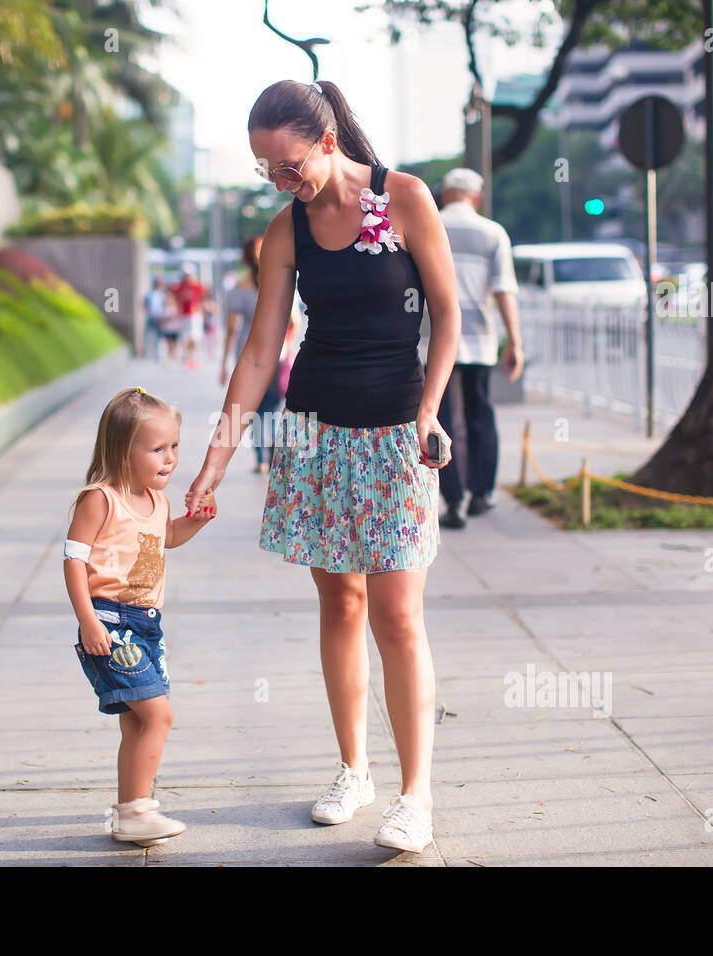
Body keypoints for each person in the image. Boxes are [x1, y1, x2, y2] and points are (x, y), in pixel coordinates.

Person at [185, 78, 461, 854]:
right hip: (311, 434)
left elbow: (448, 316)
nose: (280, 182)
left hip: (395, 430)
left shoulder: (404, 199)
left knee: (398, 615)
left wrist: (431, 408)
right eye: (265, 172)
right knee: (339, 604)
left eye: (287, 165)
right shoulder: (286, 232)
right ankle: (353, 770)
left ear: (327, 141)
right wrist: (214, 462)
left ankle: (417, 795)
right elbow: (258, 351)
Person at [62, 386, 217, 846]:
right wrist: (89, 620)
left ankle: (128, 810)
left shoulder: (157, 499)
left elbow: (166, 538)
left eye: (174, 448)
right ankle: (137, 810)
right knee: (159, 715)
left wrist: (197, 521)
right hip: (109, 621)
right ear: (121, 450)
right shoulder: (100, 499)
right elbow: (73, 560)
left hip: (147, 624)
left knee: (137, 721)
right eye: (157, 449)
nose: (169, 459)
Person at [418, 168, 524, 529]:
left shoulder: (428, 223)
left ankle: (453, 499)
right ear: (476, 197)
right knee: (480, 412)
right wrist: (515, 342)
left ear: (445, 194)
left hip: (433, 340)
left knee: (439, 416)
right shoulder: (493, 233)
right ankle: (482, 493)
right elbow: (503, 290)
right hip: (479, 338)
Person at [220, 236, 302, 473]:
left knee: (254, 410)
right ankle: (275, 451)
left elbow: (232, 329)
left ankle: (261, 459)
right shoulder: (280, 282)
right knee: (275, 407)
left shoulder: (238, 289)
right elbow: (294, 320)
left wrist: (225, 363)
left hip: (247, 355)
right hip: (276, 352)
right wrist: (285, 343)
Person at [169, 263, 208, 369]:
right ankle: (188, 359)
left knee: (194, 337)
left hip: (195, 315)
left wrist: (204, 313)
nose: (187, 277)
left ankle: (192, 358)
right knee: (185, 337)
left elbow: (202, 300)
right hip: (184, 316)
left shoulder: (197, 286)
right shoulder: (179, 287)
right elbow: (175, 299)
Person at [142, 276, 172, 362]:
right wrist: (147, 312)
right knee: (149, 335)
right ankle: (148, 353)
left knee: (160, 336)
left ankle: (158, 354)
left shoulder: (163, 294)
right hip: (151, 316)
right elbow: (145, 303)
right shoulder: (149, 294)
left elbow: (165, 305)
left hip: (160, 317)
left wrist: (164, 315)